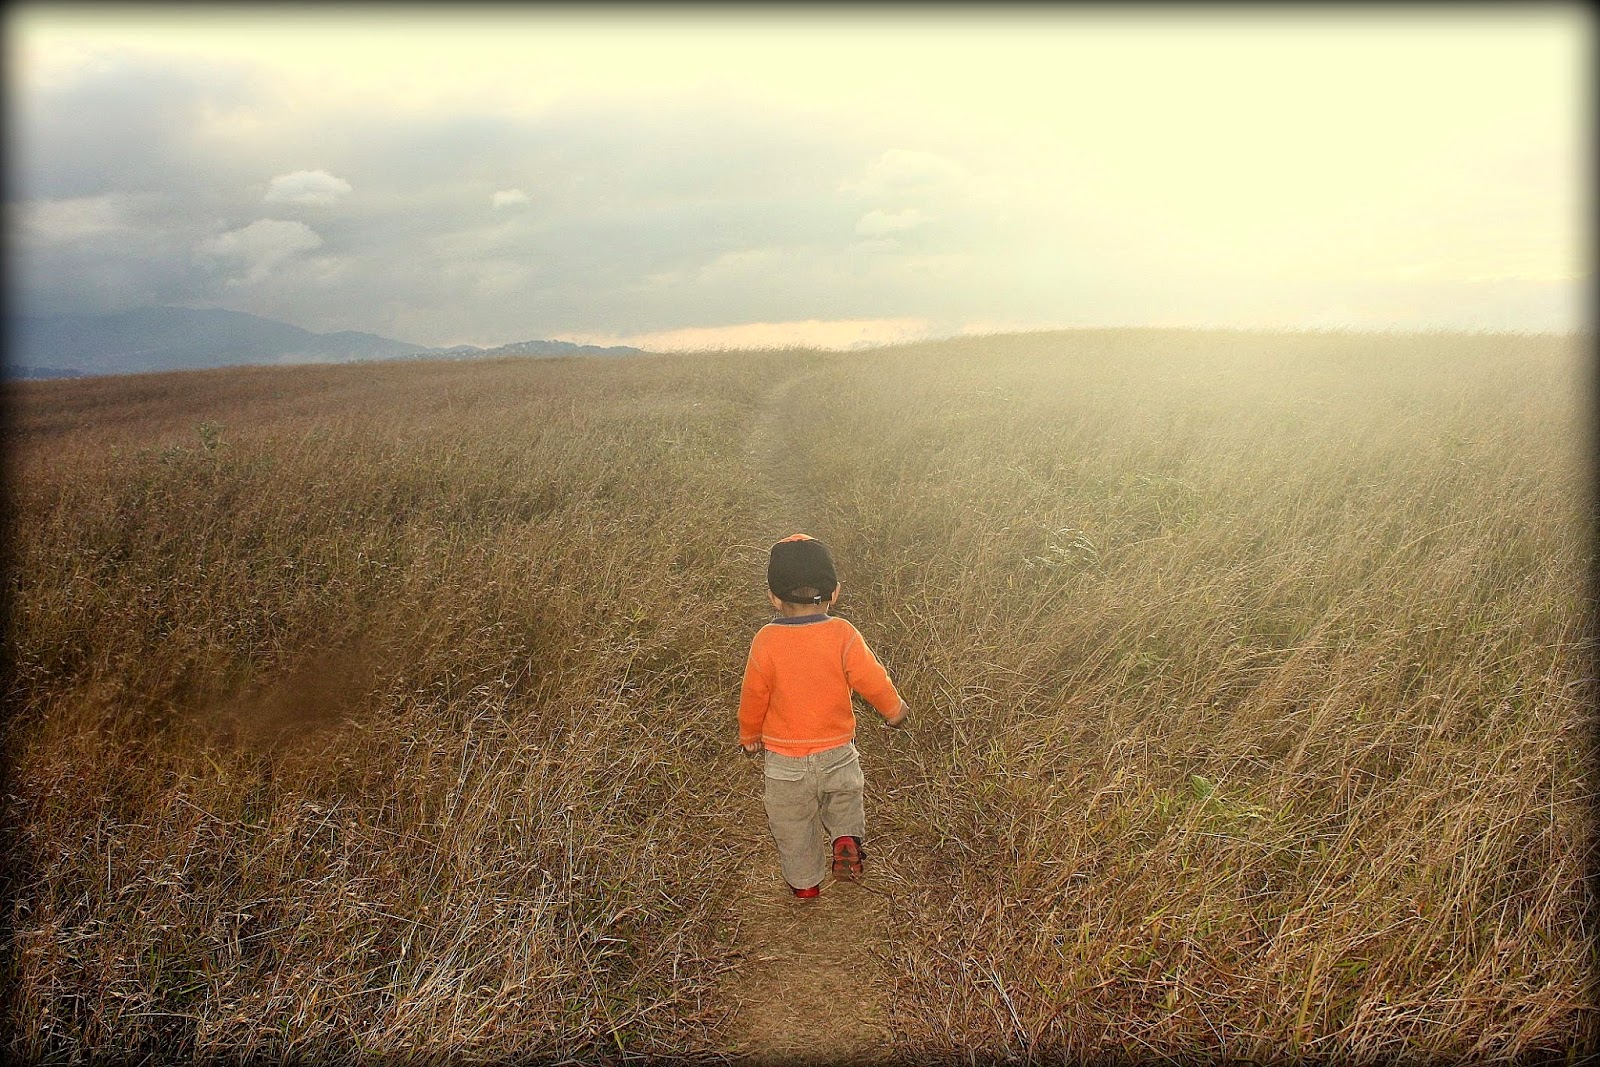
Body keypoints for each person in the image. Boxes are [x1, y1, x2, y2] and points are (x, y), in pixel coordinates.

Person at [738, 534, 909, 899]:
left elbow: (754, 694)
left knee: (792, 825)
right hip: (837, 751)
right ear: (835, 593)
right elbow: (873, 679)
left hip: (785, 762)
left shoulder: (766, 640)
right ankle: (846, 837)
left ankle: (805, 885)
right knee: (845, 798)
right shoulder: (843, 633)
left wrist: (749, 734)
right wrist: (894, 710)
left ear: (773, 596)